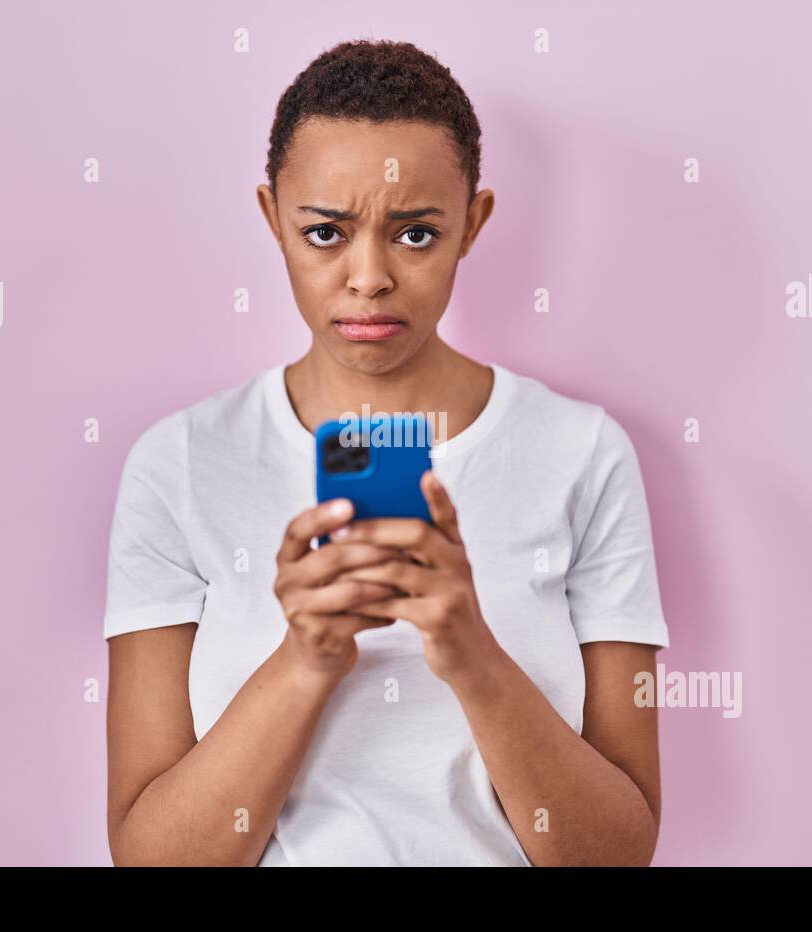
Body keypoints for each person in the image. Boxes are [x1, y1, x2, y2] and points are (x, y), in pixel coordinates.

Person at [102, 39, 670, 866]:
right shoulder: (180, 462)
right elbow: (152, 858)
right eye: (326, 231)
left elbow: (617, 854)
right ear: (273, 220)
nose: (368, 277)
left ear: (472, 226)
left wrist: (471, 653)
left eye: (415, 234)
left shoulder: (582, 453)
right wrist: (305, 661)